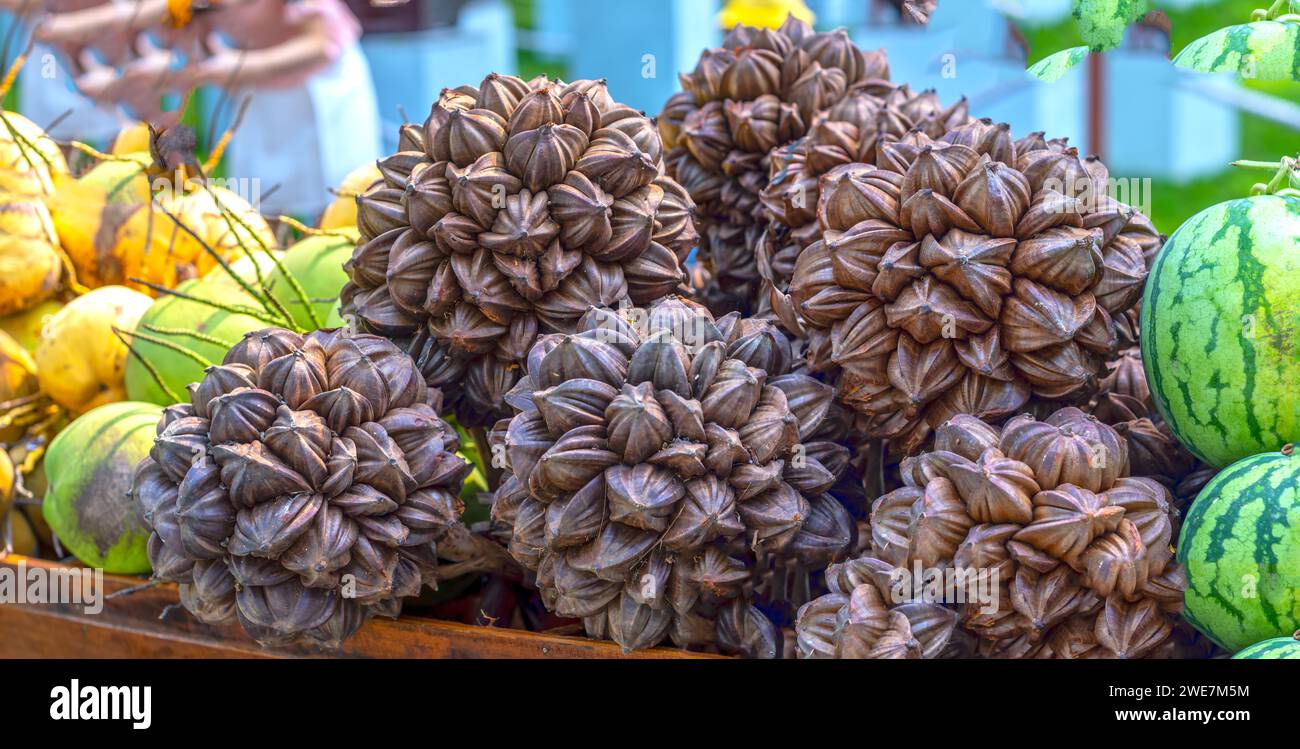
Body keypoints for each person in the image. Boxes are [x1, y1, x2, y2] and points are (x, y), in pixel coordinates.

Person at [33, 0, 382, 217]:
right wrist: (58, 28)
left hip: (320, 90)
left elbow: (320, 45)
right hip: (259, 90)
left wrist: (223, 69)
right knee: (263, 200)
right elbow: (160, 10)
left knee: (338, 198)